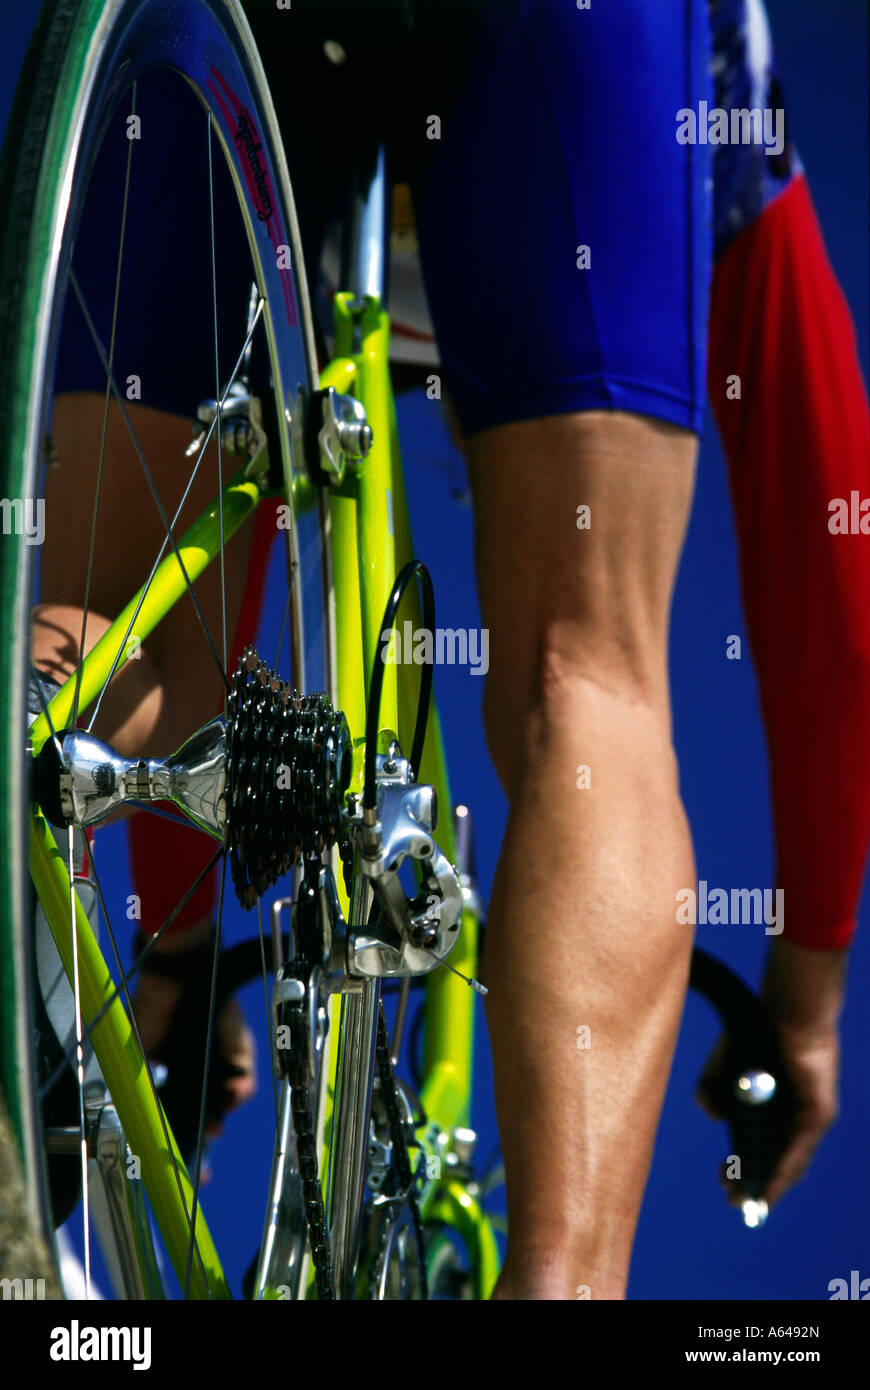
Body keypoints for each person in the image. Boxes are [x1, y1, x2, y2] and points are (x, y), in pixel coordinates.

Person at [32, 0, 869, 1298]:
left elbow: (184, 650)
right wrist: (805, 991)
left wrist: (178, 941)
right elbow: (829, 564)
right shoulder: (730, 100)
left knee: (98, 635)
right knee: (581, 676)